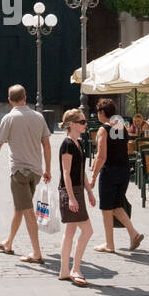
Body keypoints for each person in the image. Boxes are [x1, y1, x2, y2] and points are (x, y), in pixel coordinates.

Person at [0, 84, 51, 264]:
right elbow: (47, 145)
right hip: (35, 171)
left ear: (10, 100)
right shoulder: (39, 117)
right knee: (20, 208)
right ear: (25, 97)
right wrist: (48, 169)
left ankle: (36, 252)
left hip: (19, 172)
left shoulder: (9, 118)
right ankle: (8, 243)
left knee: (27, 211)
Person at [89, 98, 145, 253]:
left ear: (101, 112)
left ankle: (109, 244)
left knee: (107, 208)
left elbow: (102, 156)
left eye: (98, 112)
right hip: (124, 170)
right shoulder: (121, 127)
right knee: (116, 205)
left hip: (110, 171)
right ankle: (134, 234)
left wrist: (93, 176)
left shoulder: (103, 130)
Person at [56, 108, 94, 286]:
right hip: (71, 191)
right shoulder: (68, 144)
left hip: (77, 190)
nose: (85, 124)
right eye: (82, 122)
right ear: (72, 124)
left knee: (70, 232)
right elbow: (66, 173)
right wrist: (71, 197)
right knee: (87, 231)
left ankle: (64, 270)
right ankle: (75, 268)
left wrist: (90, 192)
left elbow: (80, 172)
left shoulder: (77, 143)